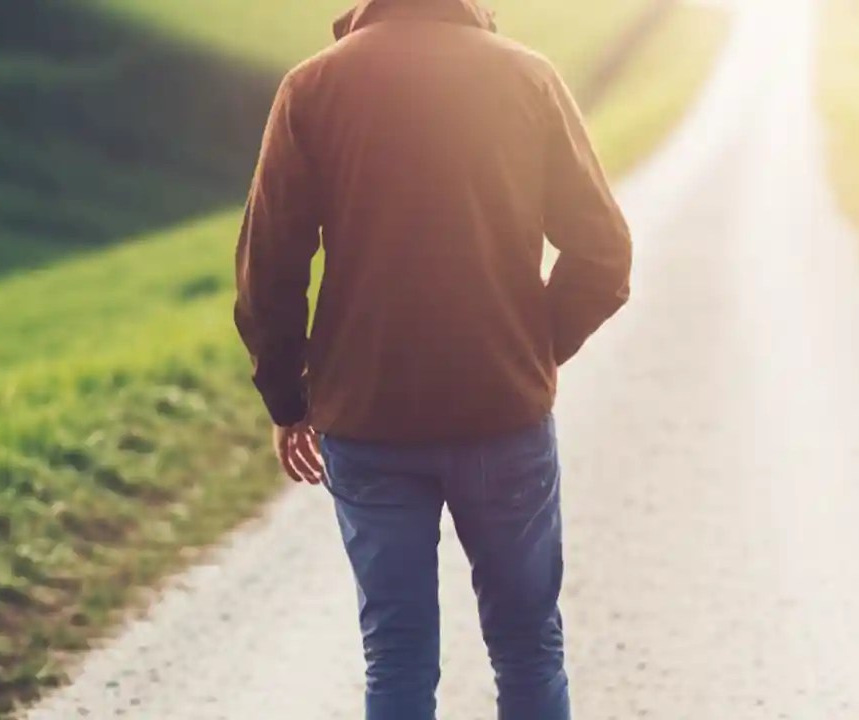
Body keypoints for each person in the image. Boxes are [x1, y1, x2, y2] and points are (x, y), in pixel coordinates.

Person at [234, 0, 631, 717]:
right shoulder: (528, 78)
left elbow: (271, 266)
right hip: (503, 415)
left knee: (397, 655)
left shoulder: (313, 87)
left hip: (367, 422)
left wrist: (286, 401)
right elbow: (604, 252)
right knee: (528, 645)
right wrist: (536, 350)